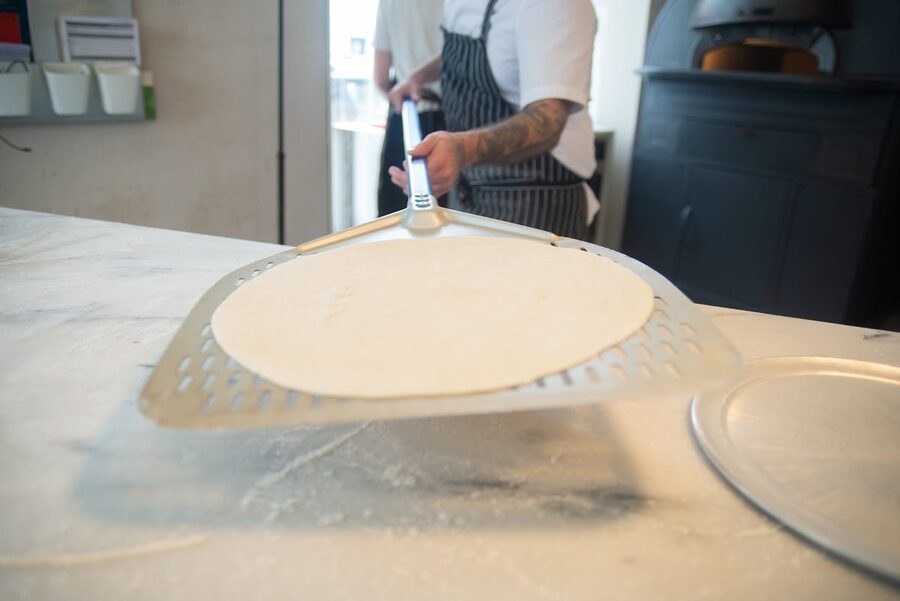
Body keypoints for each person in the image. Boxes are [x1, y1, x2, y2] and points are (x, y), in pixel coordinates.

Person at [388, 0, 600, 240]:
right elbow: (474, 48)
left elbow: (547, 121)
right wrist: (418, 78)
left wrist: (462, 149)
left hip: (535, 202)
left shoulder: (555, 6)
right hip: (469, 191)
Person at [373, 0, 446, 216]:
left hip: (405, 117)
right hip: (453, 122)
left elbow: (380, 78)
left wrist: (400, 94)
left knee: (398, 221)